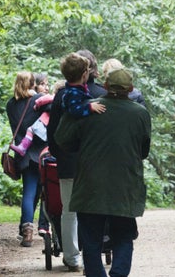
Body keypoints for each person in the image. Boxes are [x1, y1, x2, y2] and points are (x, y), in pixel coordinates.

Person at [55, 66, 151, 277]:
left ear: (105, 86)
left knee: (91, 238)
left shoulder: (88, 108)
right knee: (123, 235)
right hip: (125, 186)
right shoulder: (140, 114)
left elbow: (62, 139)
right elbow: (144, 150)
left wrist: (83, 147)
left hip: (90, 184)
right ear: (131, 89)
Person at [45, 52, 107, 271]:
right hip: (94, 163)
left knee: (68, 210)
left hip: (68, 162)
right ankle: (96, 249)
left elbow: (52, 131)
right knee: (96, 208)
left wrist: (58, 153)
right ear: (88, 71)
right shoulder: (102, 94)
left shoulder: (61, 96)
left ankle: (72, 256)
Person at [6, 71, 49, 247]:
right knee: (44, 192)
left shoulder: (10, 104)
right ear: (33, 84)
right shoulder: (37, 101)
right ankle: (43, 227)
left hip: (22, 154)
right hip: (40, 153)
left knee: (29, 192)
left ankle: (27, 232)